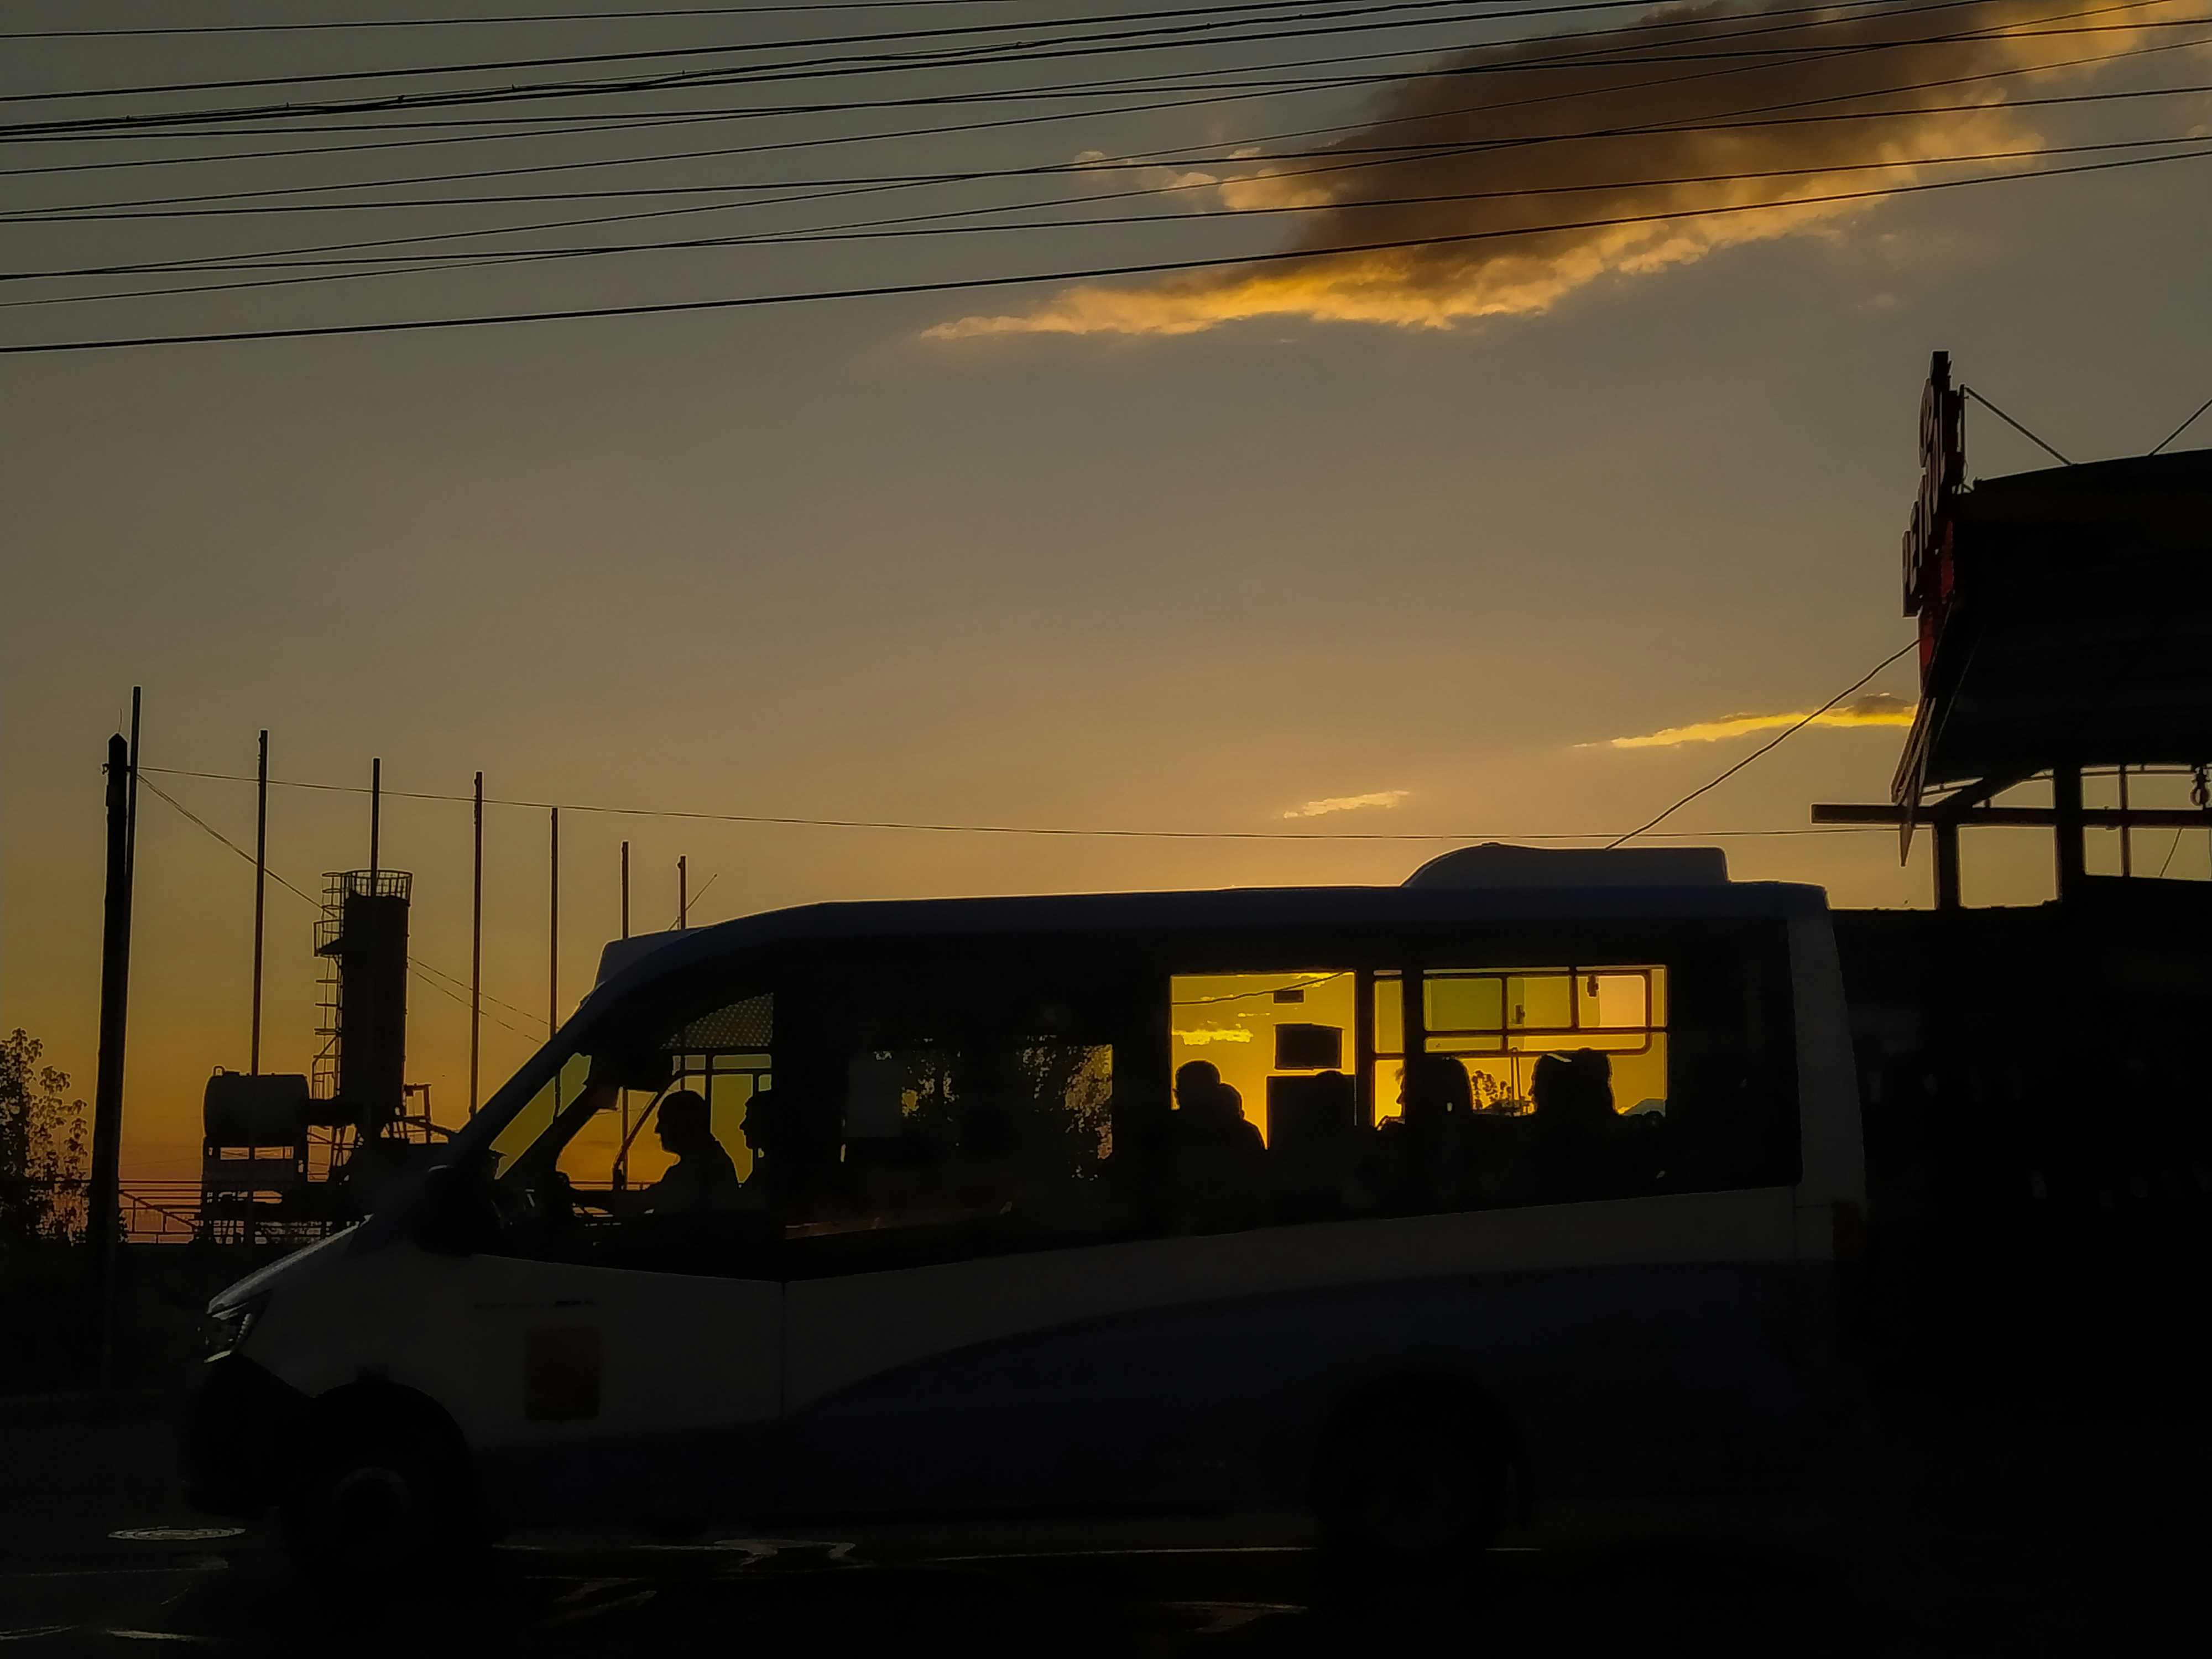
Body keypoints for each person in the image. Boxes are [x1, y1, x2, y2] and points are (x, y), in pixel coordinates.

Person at [616, 1089, 744, 1215]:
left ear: (683, 1124)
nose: (657, 1129)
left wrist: (607, 1199)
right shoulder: (707, 1161)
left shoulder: (696, 1169)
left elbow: (642, 1203)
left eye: (664, 1121)